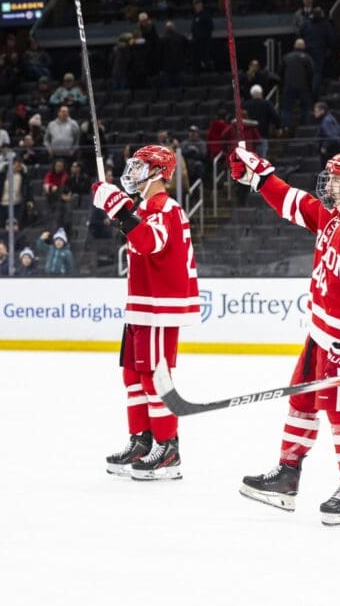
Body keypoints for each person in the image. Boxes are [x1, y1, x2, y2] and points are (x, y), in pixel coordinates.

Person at [230, 144, 340, 525]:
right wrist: (260, 177)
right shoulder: (332, 217)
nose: (329, 185)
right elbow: (293, 202)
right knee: (303, 403)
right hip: (319, 335)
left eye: (339, 180)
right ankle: (287, 476)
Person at [92, 144, 200, 481]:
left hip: (158, 307)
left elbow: (150, 242)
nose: (132, 172)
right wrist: (122, 210)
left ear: (156, 172)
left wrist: (118, 208)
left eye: (139, 166)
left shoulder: (163, 206)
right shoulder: (147, 206)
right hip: (142, 303)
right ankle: (142, 440)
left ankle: (168, 448)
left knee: (154, 377)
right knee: (132, 376)